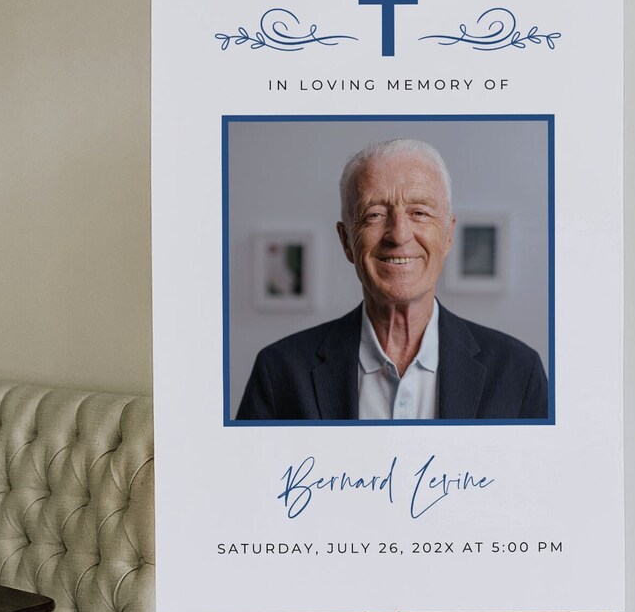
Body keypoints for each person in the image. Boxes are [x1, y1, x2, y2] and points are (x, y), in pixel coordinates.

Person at [235, 138, 549, 420]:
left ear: (448, 235)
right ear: (346, 241)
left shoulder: (518, 372)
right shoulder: (279, 372)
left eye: (419, 212)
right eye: (374, 214)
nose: (398, 235)